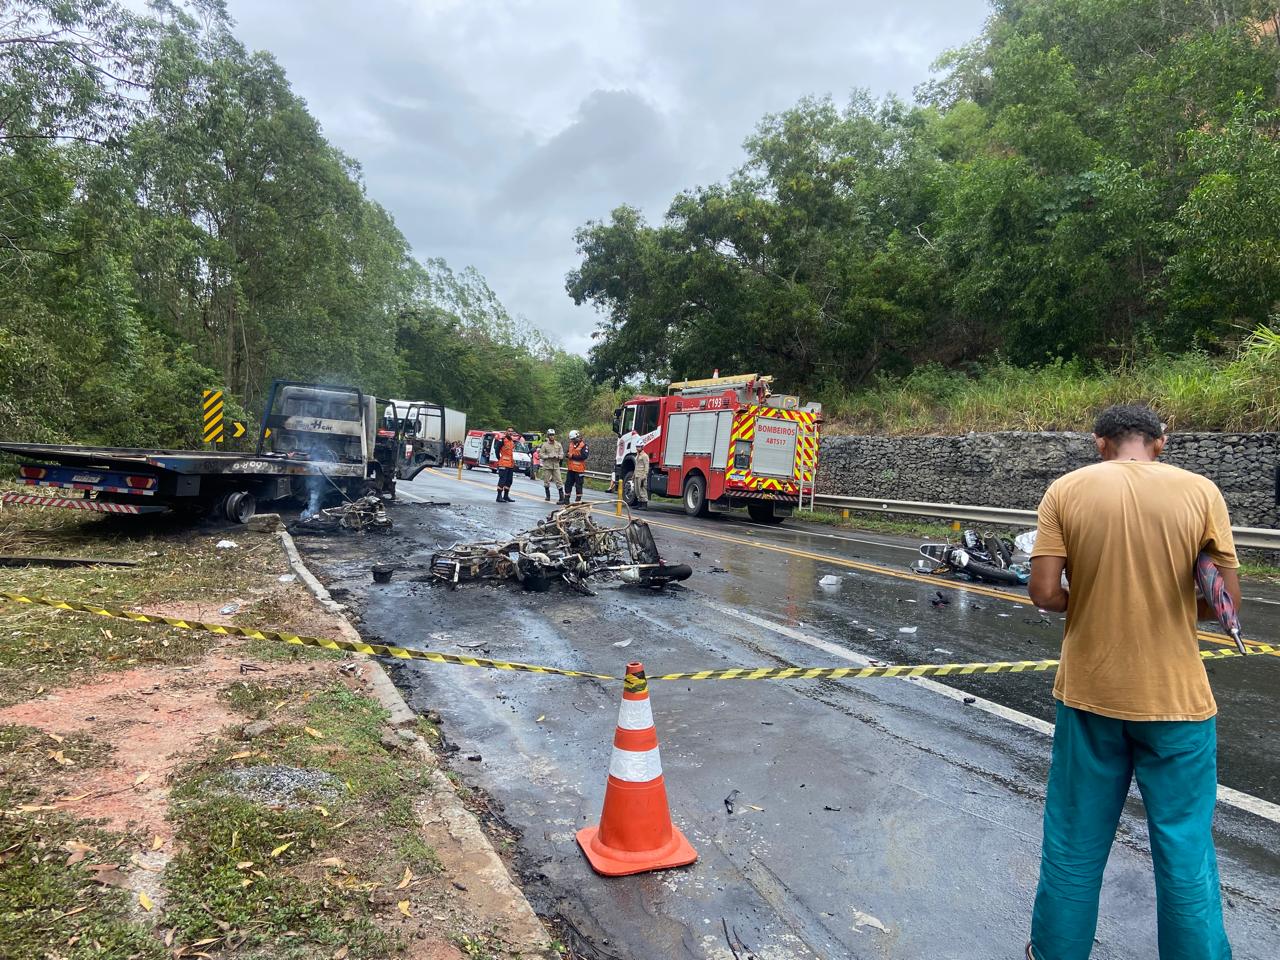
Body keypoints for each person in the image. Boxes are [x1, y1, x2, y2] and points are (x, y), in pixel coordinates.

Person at [1026, 404, 1239, 960]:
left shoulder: (1066, 491)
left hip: (1091, 694)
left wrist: (1097, 600)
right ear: (1159, 442)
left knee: (1074, 842)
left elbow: (1045, 594)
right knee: (1185, 848)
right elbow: (1227, 605)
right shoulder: (1201, 492)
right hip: (1177, 701)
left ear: (1101, 443)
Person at [491, 427, 519, 503]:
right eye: (509, 431)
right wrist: (499, 458)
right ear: (506, 432)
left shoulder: (511, 442)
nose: (510, 432)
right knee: (502, 480)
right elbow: (497, 450)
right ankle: (498, 497)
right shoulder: (502, 440)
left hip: (510, 464)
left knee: (509, 481)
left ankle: (506, 496)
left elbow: (510, 454)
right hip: (503, 463)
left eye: (512, 431)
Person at [538, 429, 566, 503]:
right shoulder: (544, 445)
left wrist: (558, 456)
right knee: (546, 481)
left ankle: (561, 497)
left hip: (556, 465)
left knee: (559, 481)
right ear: (548, 435)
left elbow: (562, 454)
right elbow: (540, 454)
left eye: (553, 435)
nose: (552, 436)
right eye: (550, 435)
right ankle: (548, 495)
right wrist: (548, 456)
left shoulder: (558, 444)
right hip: (547, 465)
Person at [565, 430, 589, 504]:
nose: (572, 441)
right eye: (571, 439)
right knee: (568, 484)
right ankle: (566, 499)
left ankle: (577, 501)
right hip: (571, 469)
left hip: (579, 470)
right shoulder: (571, 444)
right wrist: (567, 455)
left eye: (573, 439)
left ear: (577, 437)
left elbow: (584, 456)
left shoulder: (584, 445)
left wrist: (572, 456)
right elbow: (567, 452)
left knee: (579, 485)